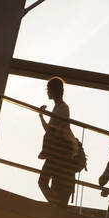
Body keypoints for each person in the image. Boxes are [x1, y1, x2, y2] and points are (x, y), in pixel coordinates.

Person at [37, 77, 76, 207]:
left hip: (60, 151)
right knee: (48, 182)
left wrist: (42, 115)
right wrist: (42, 116)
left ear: (54, 90)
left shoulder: (63, 108)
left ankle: (56, 205)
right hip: (57, 151)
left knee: (45, 181)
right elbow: (49, 129)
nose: (47, 92)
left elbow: (51, 130)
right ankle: (56, 205)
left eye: (48, 89)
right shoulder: (58, 107)